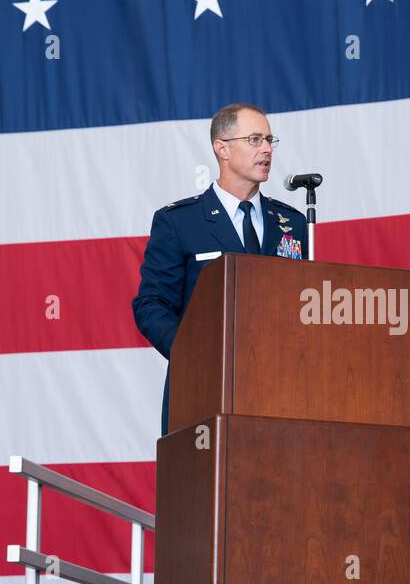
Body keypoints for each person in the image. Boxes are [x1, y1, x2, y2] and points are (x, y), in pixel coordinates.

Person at [132, 102, 310, 437]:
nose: (267, 149)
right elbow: (152, 306)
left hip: (280, 389)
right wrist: (195, 354)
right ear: (222, 148)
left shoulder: (292, 223)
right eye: (255, 139)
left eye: (270, 140)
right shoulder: (179, 221)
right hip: (204, 388)